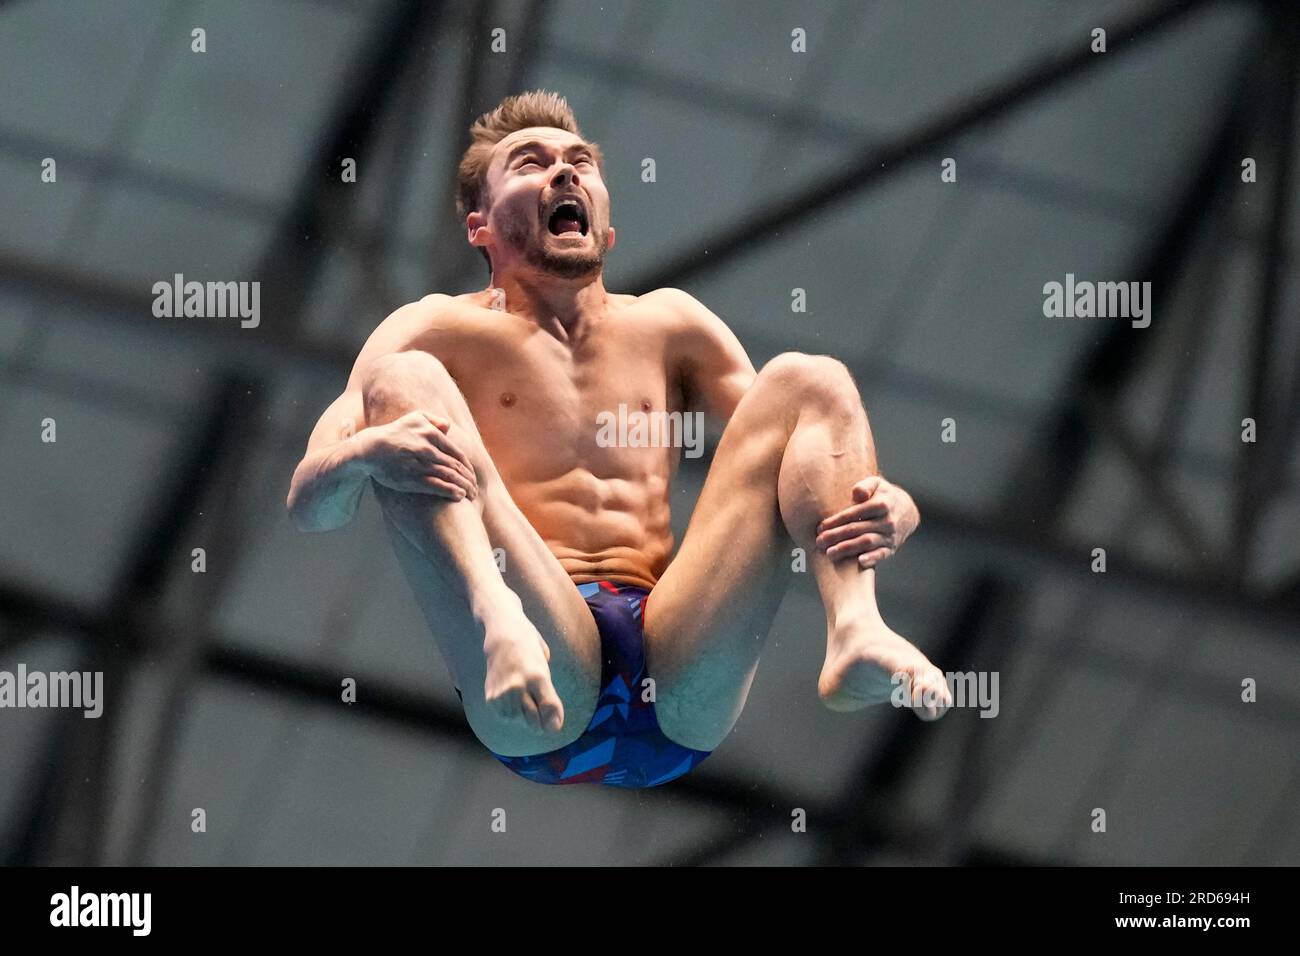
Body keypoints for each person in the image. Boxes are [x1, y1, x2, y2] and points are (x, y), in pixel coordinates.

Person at [286, 90, 951, 789]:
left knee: (810, 380)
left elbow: (803, 448)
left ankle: (854, 627)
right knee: (405, 379)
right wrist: (369, 454)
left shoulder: (669, 325)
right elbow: (313, 506)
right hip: (540, 664)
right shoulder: (435, 328)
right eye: (531, 163)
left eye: (579, 163)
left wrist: (891, 504)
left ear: (606, 231)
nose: (563, 174)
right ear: (480, 226)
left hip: (677, 661)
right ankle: (497, 617)